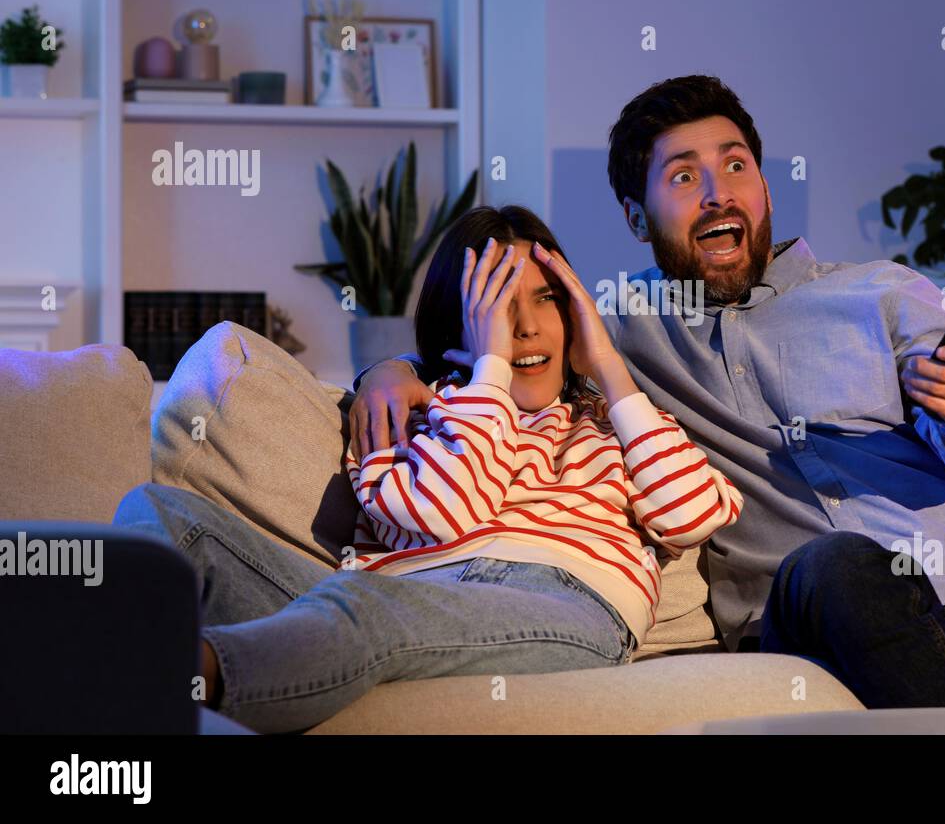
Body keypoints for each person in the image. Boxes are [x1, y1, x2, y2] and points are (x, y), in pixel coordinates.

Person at [350, 75, 945, 712]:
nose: (719, 192)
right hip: (808, 602)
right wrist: (388, 366)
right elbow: (513, 325)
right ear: (638, 218)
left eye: (735, 165)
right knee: (840, 563)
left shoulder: (883, 290)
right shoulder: (623, 329)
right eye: (683, 178)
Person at [113, 204, 741, 733]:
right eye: (496, 306)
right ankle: (92, 655)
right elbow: (443, 515)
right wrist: (485, 374)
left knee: (368, 604)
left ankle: (143, 691)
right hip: (397, 595)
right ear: (460, 319)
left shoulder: (614, 422)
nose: (524, 327)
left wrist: (606, 363)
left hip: (563, 600)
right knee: (162, 513)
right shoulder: (409, 411)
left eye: (546, 299)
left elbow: (690, 516)